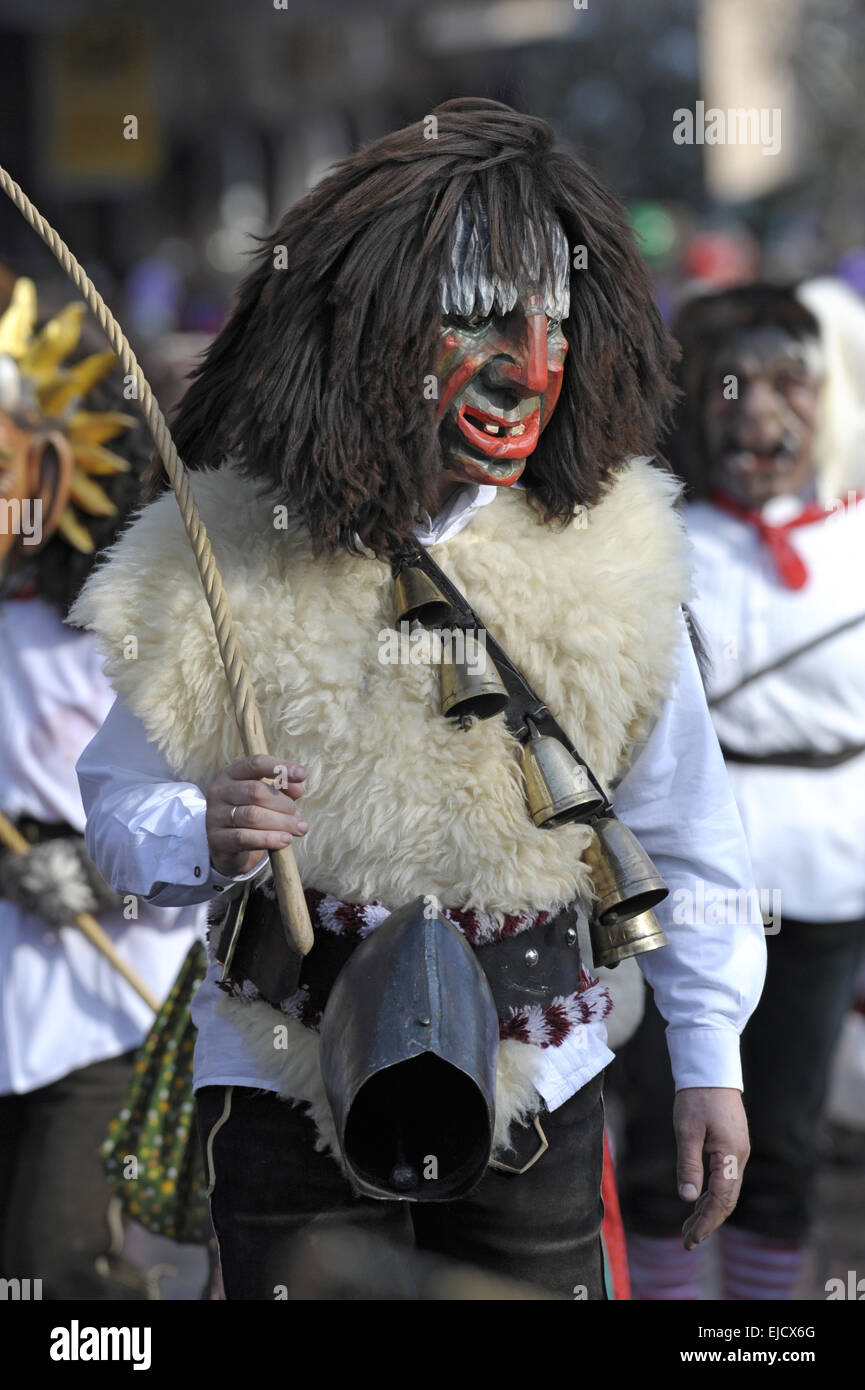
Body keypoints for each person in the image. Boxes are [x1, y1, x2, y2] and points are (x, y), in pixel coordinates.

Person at [72, 100, 765, 1300]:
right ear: (370, 331)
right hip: (287, 1089)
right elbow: (118, 818)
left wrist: (710, 1057)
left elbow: (693, 839)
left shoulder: (621, 562)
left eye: (551, 320)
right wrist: (205, 828)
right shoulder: (222, 554)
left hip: (533, 1096)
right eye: (482, 316)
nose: (528, 360)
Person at [617, 283, 865, 1300]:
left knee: (788, 1136)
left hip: (821, 874)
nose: (760, 411)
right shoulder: (648, 544)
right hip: (679, 880)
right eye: (735, 383)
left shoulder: (855, 540)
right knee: (667, 1135)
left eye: (787, 382)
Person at [0, 278, 203, 1298]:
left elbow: (213, 816)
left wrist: (97, 872)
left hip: (102, 1014)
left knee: (56, 1269)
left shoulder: (135, 629)